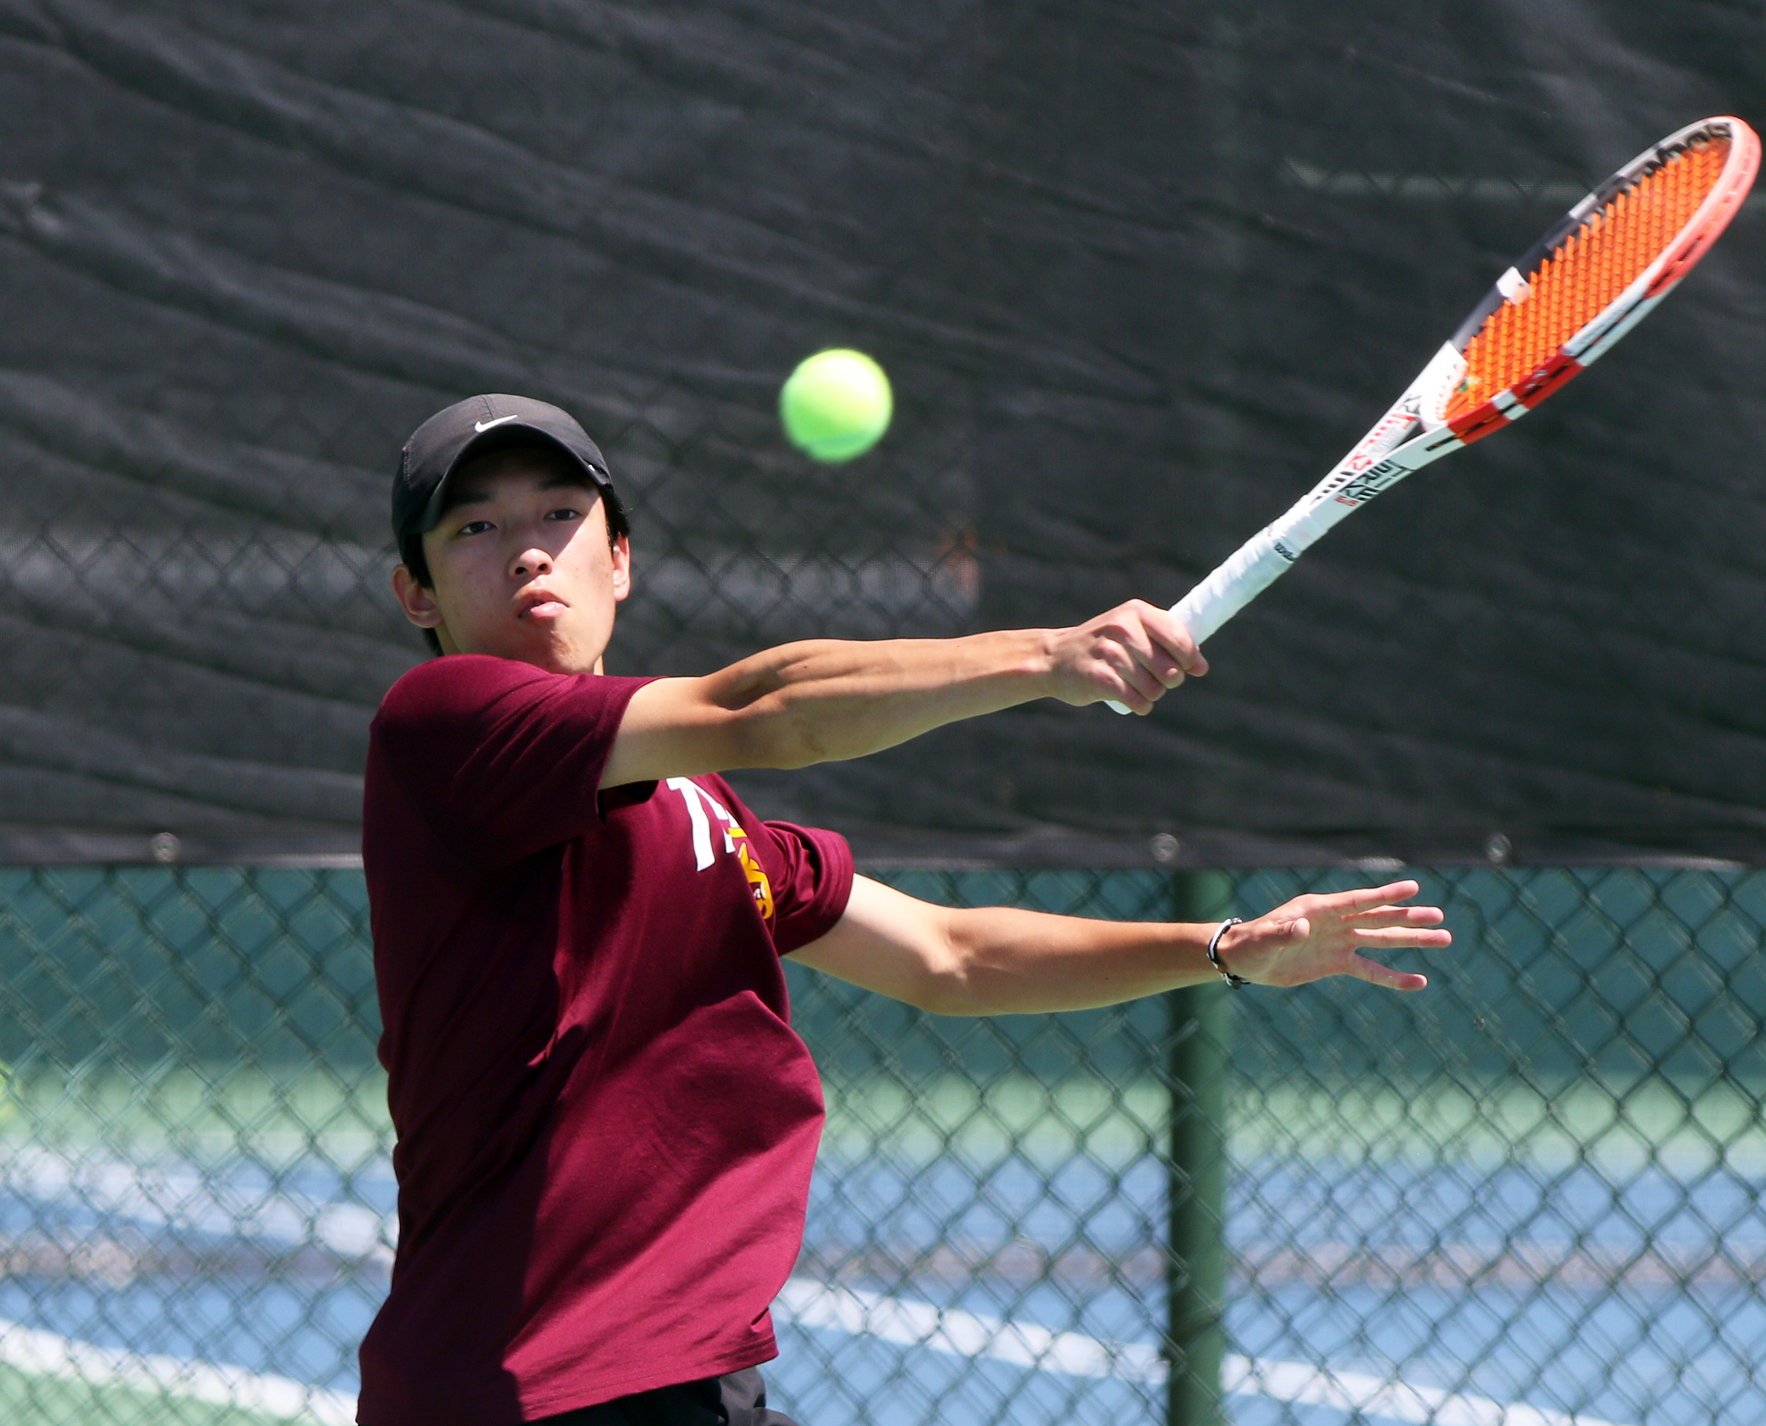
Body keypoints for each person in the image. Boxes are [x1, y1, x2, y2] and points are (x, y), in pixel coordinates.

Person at [359, 394, 1452, 1426]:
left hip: (671, 1372)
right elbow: (767, 707)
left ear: (623, 558)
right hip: (525, 1390)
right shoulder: (443, 723)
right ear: (418, 594)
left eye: (560, 513)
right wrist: (1046, 656)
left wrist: (1222, 947)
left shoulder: (700, 810)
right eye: (474, 526)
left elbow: (949, 954)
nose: (529, 549)